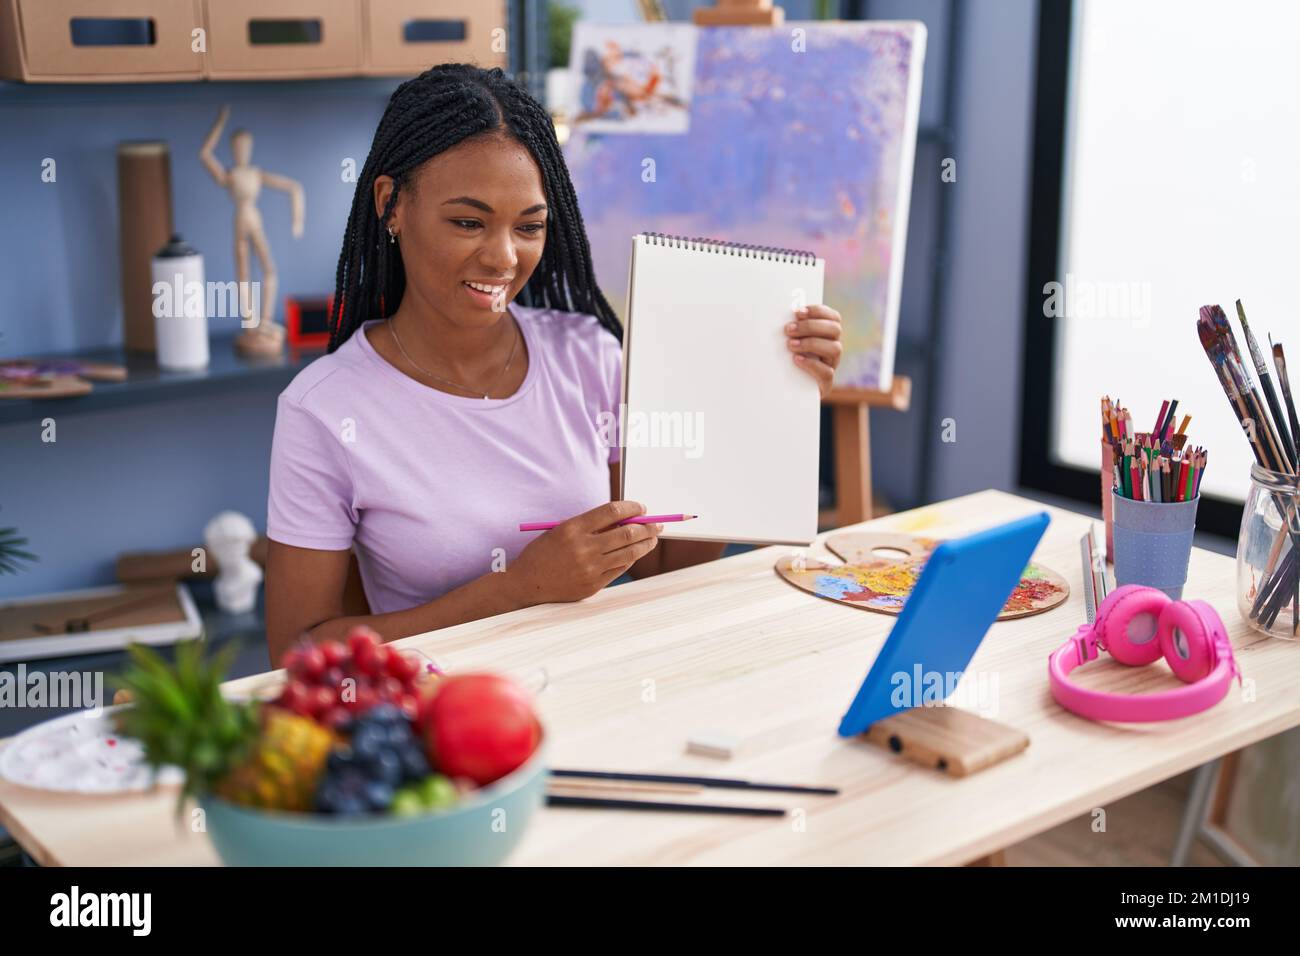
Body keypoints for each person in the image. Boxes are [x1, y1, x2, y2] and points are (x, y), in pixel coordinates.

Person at [264, 65, 842, 661]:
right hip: (441, 723)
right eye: (468, 222)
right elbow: (299, 647)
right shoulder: (325, 409)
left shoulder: (588, 356)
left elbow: (662, 563)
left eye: (530, 226)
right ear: (392, 205)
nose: (503, 258)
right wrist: (516, 591)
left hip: (600, 687)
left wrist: (771, 400)